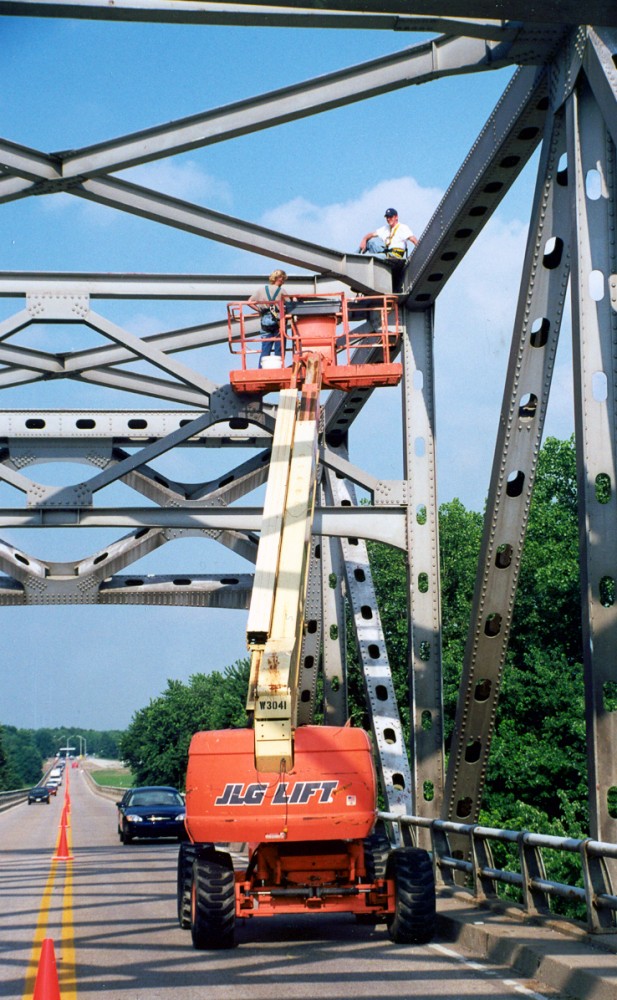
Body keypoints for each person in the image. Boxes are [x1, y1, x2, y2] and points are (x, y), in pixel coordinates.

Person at [248, 269, 288, 367]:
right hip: (278, 321)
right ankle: (279, 369)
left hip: (265, 321)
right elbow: (290, 303)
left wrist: (259, 310)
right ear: (280, 278)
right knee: (279, 349)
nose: (283, 282)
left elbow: (249, 302)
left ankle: (261, 369)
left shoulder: (261, 290)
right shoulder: (281, 291)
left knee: (265, 349)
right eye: (283, 279)